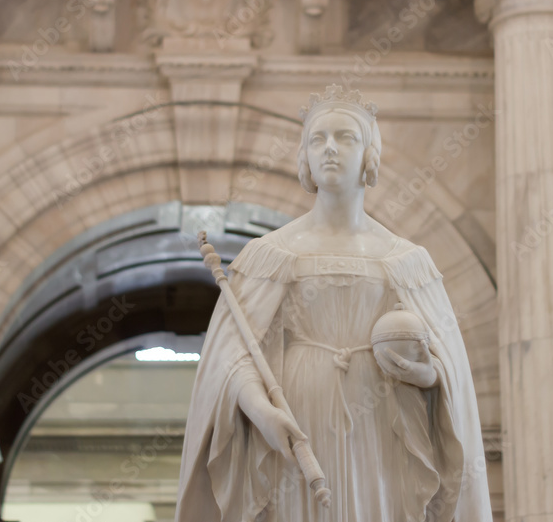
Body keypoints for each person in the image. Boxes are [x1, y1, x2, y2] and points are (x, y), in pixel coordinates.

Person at [176, 85, 492, 522]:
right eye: (317, 139)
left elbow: (449, 365)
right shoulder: (268, 255)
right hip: (297, 416)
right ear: (303, 157)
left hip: (381, 423)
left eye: (346, 138)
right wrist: (262, 411)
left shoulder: (405, 260)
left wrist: (428, 372)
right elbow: (233, 357)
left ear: (369, 155)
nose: (330, 150)